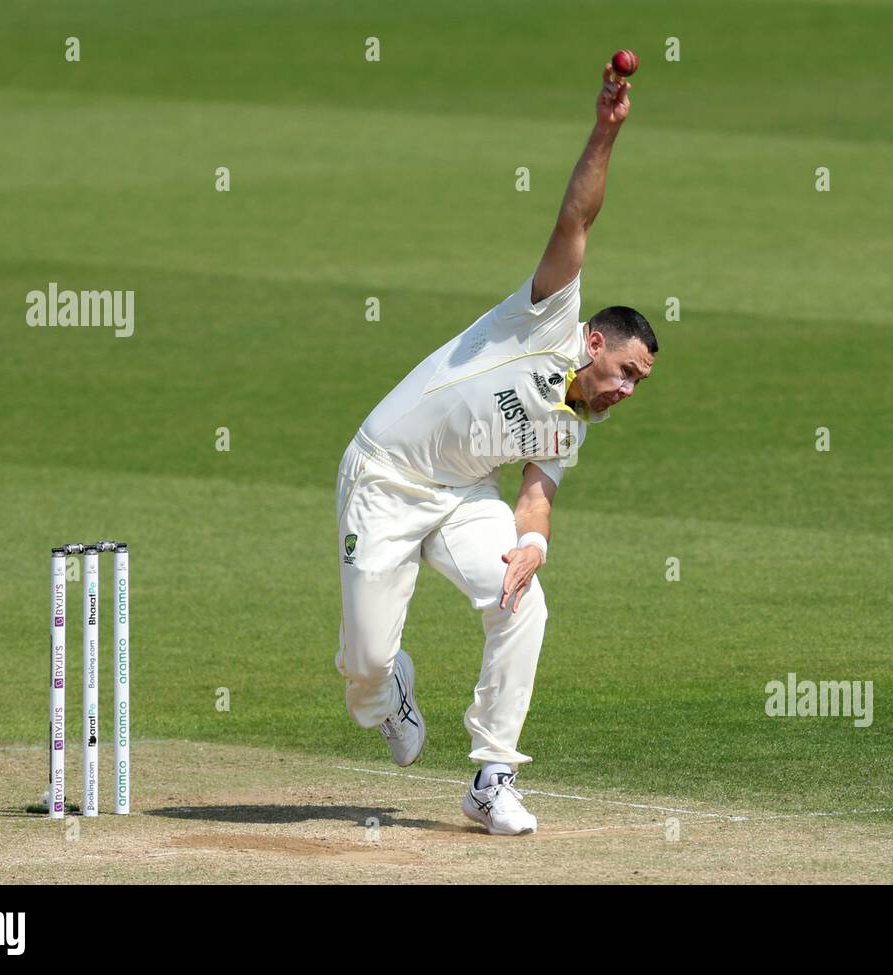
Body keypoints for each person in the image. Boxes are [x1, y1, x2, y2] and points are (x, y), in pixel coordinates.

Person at [334, 62, 657, 835]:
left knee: (523, 602)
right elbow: (576, 218)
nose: (626, 389)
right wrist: (607, 128)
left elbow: (536, 491)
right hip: (383, 476)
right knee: (365, 667)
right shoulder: (544, 319)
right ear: (593, 340)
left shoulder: (577, 421)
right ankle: (389, 694)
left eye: (640, 383)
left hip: (459, 498)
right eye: (624, 370)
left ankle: (492, 776)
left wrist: (532, 544)